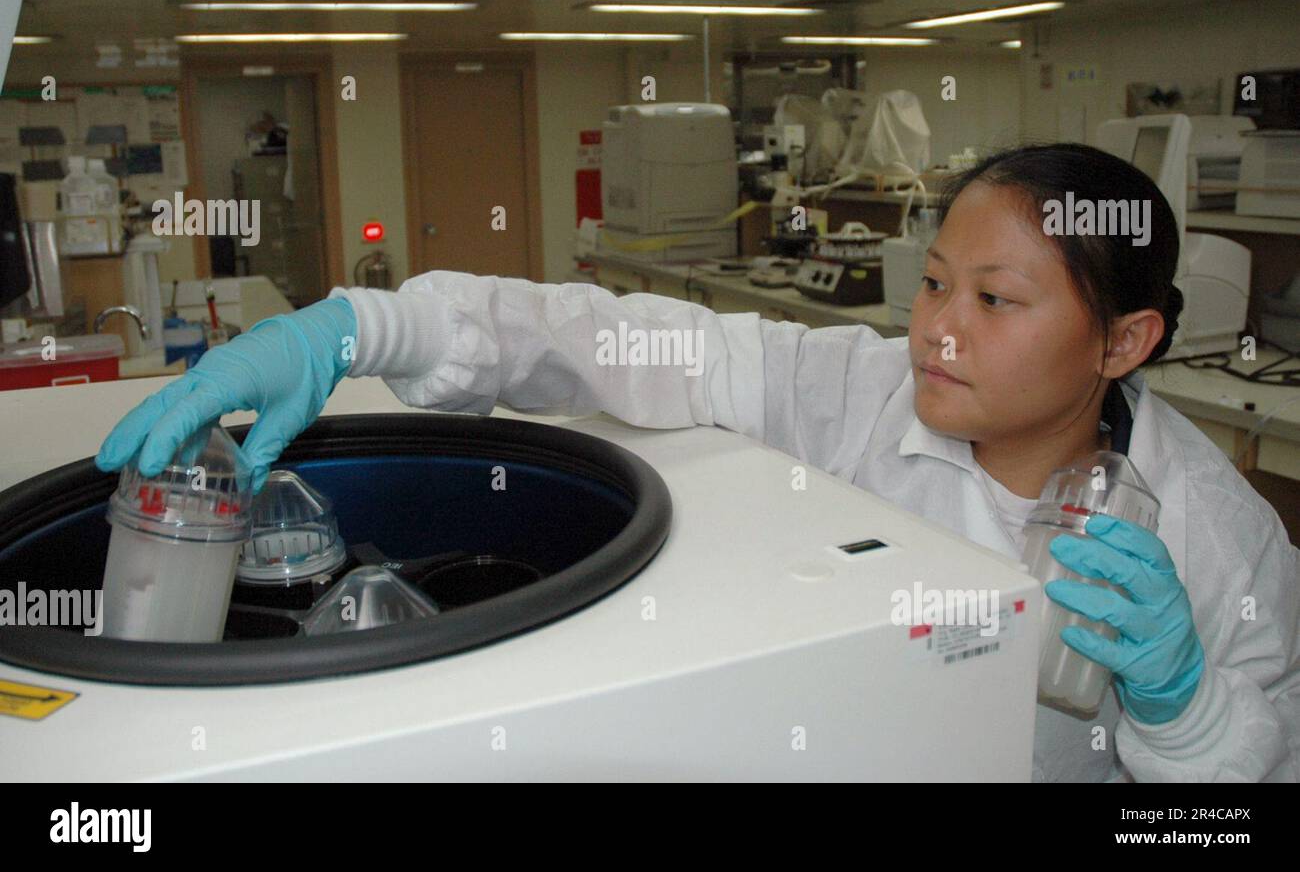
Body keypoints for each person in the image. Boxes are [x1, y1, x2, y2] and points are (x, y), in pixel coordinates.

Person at [97, 143, 1299, 782]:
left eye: (995, 299)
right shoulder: (857, 388)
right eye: (934, 280)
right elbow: (612, 338)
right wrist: (365, 328)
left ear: (1125, 339)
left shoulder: (1218, 538)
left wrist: (1184, 711)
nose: (937, 326)